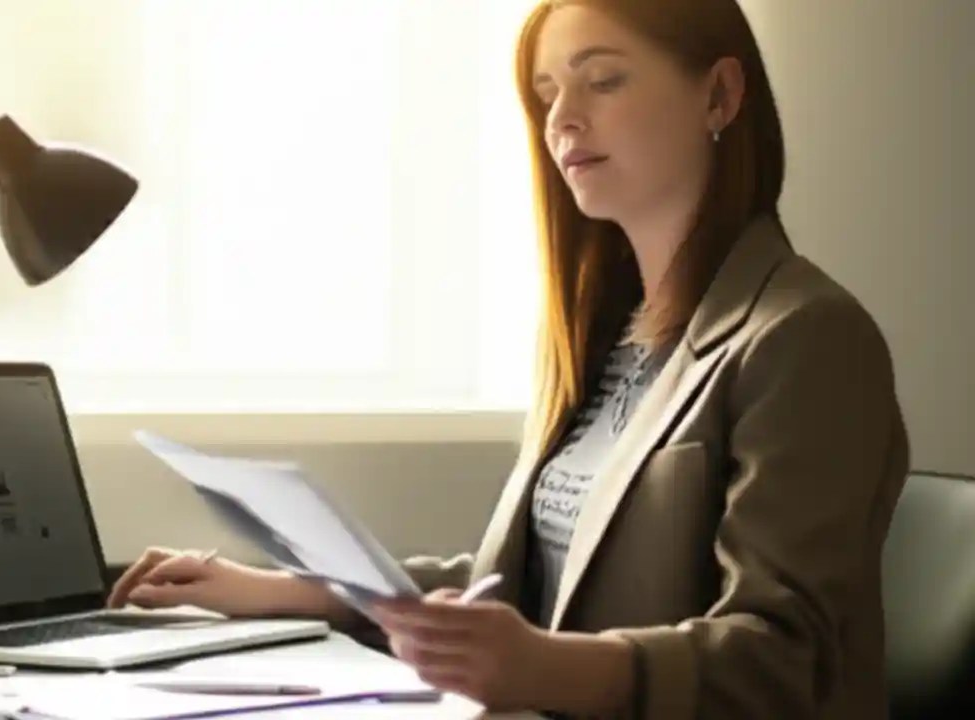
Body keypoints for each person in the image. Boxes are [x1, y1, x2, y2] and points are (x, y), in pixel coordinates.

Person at [107, 0, 910, 717]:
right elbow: (531, 580)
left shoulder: (805, 336)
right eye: (547, 93)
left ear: (719, 96)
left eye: (603, 81)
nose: (561, 119)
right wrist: (280, 592)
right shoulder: (598, 337)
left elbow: (786, 661)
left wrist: (539, 666)